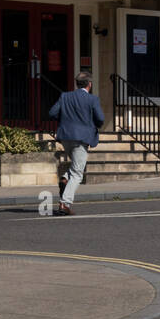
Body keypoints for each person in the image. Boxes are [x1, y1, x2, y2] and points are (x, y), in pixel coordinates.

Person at [49, 71, 104, 216]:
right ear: (89, 84)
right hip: (81, 139)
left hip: (66, 137)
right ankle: (64, 203)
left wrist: (65, 121)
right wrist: (92, 124)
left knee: (75, 167)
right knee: (78, 173)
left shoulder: (65, 96)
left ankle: (65, 179)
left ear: (77, 83)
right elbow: (100, 119)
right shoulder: (92, 99)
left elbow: (52, 113)